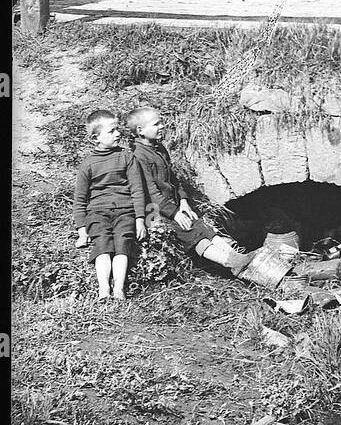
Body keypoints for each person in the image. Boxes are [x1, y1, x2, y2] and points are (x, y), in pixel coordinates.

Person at [126, 106, 249, 271]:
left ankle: (237, 256)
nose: (162, 126)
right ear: (140, 130)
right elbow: (151, 193)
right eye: (156, 124)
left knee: (202, 226)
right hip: (153, 211)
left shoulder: (159, 148)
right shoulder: (138, 156)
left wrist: (183, 201)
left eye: (161, 122)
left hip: (172, 205)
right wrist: (174, 213)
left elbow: (174, 179)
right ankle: (230, 262)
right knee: (191, 233)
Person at [73, 109, 147, 300]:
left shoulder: (127, 157)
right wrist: (82, 228)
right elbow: (80, 199)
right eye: (111, 131)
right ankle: (104, 288)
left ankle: (119, 288)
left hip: (125, 211)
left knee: (122, 243)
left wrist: (140, 219)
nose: (118, 134)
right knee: (102, 245)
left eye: (117, 129)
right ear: (95, 138)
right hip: (98, 212)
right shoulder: (88, 164)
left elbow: (137, 190)